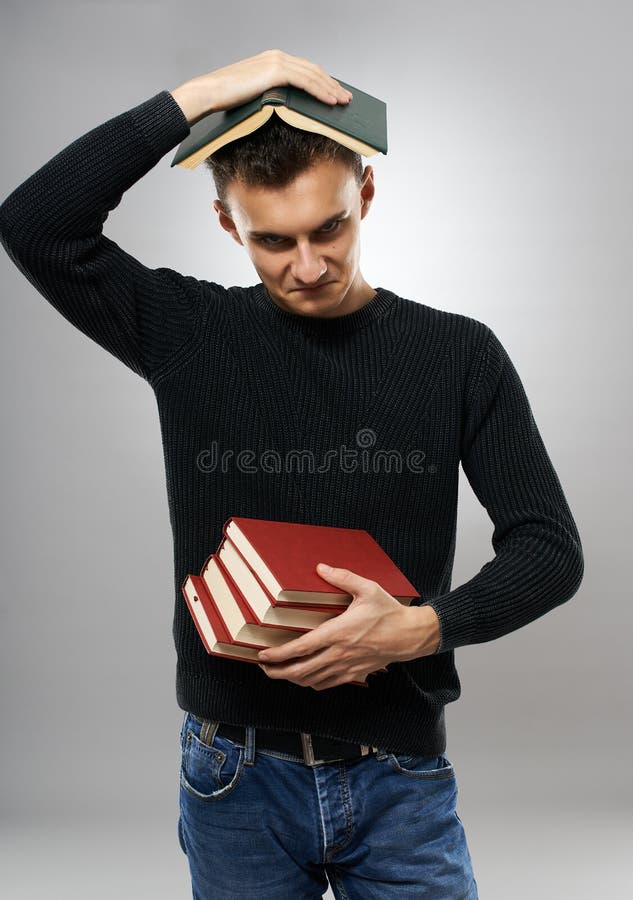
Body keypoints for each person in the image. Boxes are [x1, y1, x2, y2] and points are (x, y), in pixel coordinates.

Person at [0, 48, 583, 899]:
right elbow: (35, 224)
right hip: (233, 772)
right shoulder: (188, 333)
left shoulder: (458, 353)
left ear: (367, 197)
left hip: (398, 776)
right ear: (227, 223)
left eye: (329, 228)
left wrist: (420, 629)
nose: (306, 265)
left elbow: (549, 549)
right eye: (272, 240)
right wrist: (206, 95)